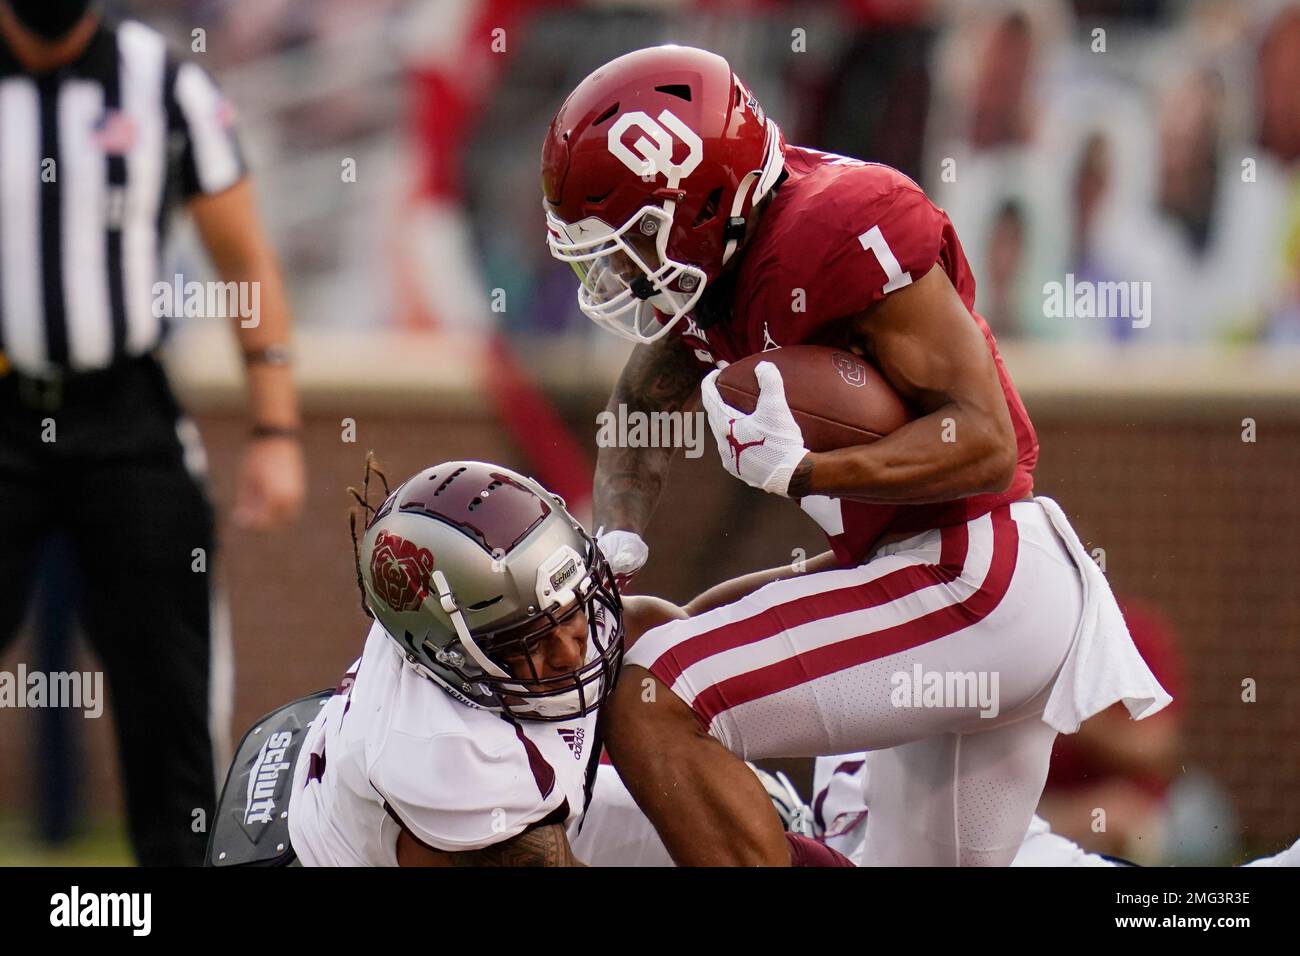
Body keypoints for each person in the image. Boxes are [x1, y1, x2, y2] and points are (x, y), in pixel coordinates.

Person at [542, 45, 1170, 866]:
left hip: (972, 573)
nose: (623, 271)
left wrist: (811, 472)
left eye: (635, 242)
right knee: (659, 634)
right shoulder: (721, 266)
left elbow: (987, 443)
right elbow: (638, 402)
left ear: (701, 200)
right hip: (937, 578)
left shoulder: (839, 228)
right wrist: (615, 539)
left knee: (656, 688)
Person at [0, 0, 304, 864]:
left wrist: (276, 429)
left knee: (172, 700)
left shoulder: (164, 80)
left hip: (124, 413)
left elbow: (245, 258)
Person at [285, 459, 849, 867]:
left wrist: (850, 571)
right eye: (529, 640)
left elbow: (686, 631)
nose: (570, 648)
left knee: (765, 825)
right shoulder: (455, 765)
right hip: (409, 849)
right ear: (453, 656)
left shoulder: (520, 611)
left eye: (572, 610)